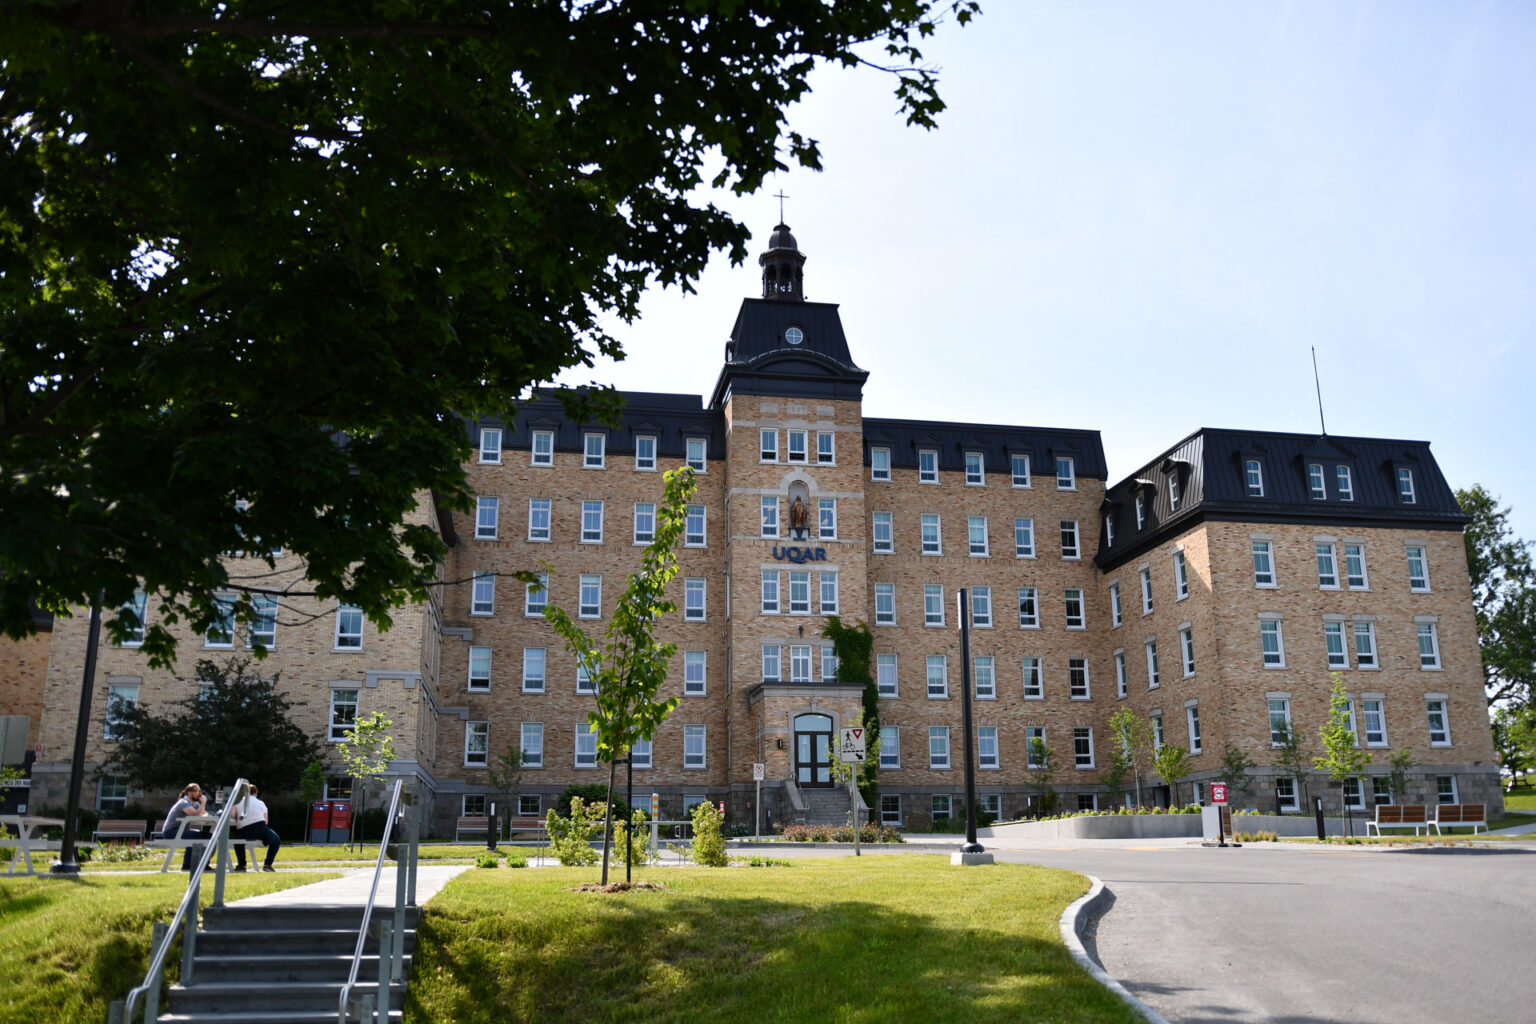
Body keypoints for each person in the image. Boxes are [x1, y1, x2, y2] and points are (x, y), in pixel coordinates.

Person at [231, 783, 282, 872]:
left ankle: (242, 865)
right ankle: (268, 865)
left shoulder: (237, 802)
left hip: (243, 829)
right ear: (256, 793)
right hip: (260, 827)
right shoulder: (261, 803)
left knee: (238, 841)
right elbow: (266, 821)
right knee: (276, 840)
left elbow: (232, 814)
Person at [164, 782, 209, 872]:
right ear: (189, 792)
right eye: (196, 791)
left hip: (182, 830)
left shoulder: (194, 804)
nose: (199, 793)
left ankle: (205, 864)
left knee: (208, 836)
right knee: (194, 836)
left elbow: (205, 813)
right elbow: (196, 815)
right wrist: (203, 802)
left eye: (199, 791)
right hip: (171, 832)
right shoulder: (183, 802)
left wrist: (201, 812)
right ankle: (187, 865)